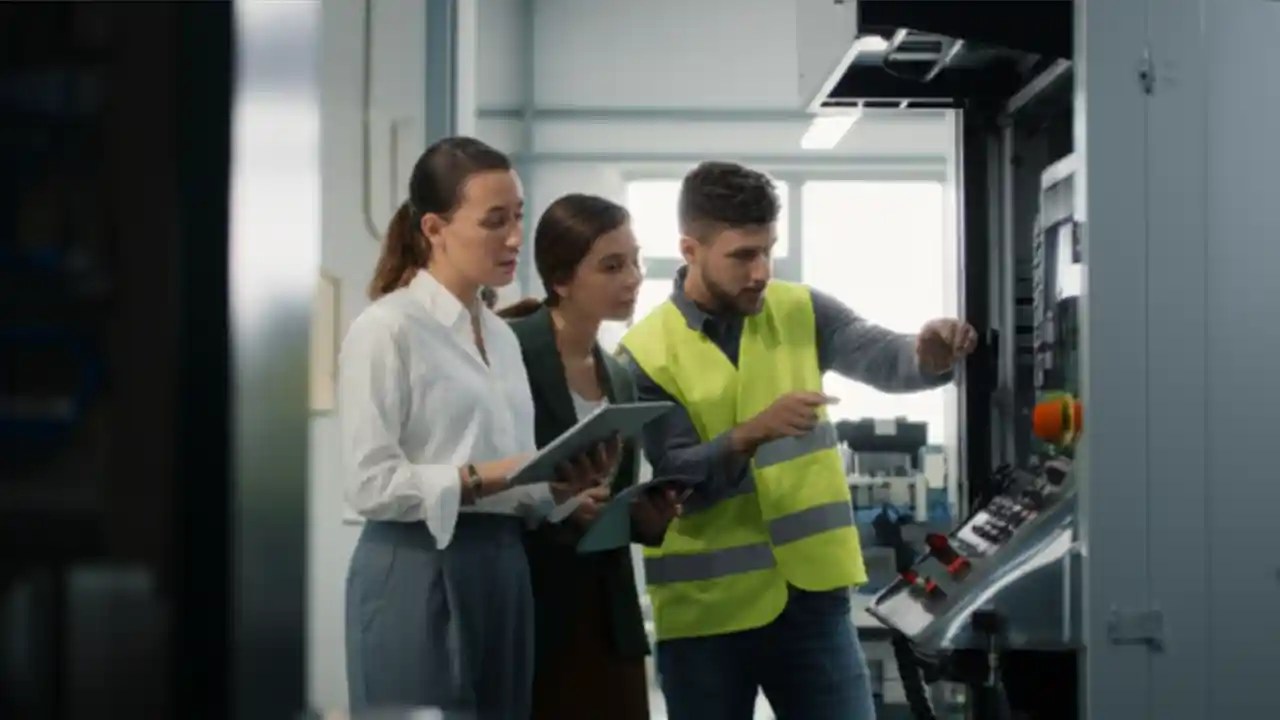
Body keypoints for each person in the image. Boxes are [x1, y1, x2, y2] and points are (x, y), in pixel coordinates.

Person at [617, 161, 978, 720]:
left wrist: (927, 356)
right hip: (705, 615)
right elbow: (680, 479)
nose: (761, 271)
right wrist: (753, 432)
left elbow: (880, 352)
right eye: (742, 255)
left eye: (768, 250)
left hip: (812, 602)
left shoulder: (800, 309)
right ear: (690, 249)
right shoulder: (645, 354)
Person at [339, 136, 615, 719]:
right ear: (435, 228)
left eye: (518, 216)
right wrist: (484, 476)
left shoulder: (505, 338)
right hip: (417, 567)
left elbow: (511, 477)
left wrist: (558, 489)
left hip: (504, 566)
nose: (515, 237)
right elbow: (369, 485)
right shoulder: (387, 329)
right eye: (495, 221)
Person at [496, 194, 681, 720]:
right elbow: (479, 474)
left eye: (636, 260)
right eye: (612, 265)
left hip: (607, 614)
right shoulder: (508, 352)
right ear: (561, 279)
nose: (634, 277)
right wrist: (558, 507)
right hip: (533, 604)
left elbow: (610, 497)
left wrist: (645, 518)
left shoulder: (619, 374)